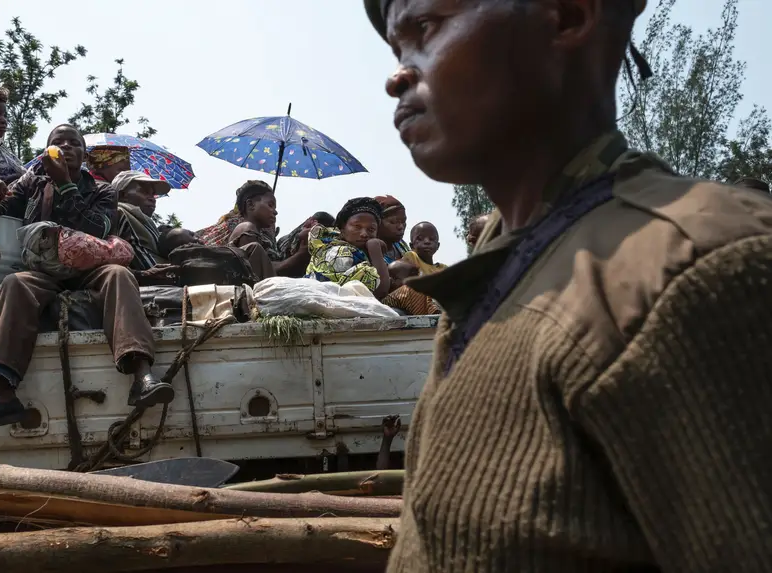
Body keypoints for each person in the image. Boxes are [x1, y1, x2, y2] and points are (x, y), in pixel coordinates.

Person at [366, 0, 772, 571]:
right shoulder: (499, 271)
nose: (396, 75)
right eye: (396, 48)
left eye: (426, 28)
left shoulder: (695, 270)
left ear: (566, 16)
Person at [0, 124, 171, 430]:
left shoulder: (103, 190)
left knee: (118, 274)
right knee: (15, 283)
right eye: (58, 142)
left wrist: (66, 185)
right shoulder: (30, 184)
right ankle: (4, 395)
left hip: (90, 270)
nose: (66, 147)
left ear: (85, 155)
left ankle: (142, 375)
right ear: (46, 151)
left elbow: (97, 230)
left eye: (74, 143)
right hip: (44, 271)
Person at [305, 197, 391, 299]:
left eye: (371, 229)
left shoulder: (361, 253)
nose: (364, 234)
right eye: (357, 227)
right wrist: (375, 247)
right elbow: (380, 292)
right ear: (342, 229)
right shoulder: (337, 253)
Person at [227, 180, 310, 278]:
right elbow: (261, 273)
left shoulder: (262, 236)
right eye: (270, 205)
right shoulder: (246, 228)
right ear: (250, 205)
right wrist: (299, 256)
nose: (275, 212)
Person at [112, 170, 171, 271]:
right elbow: (150, 268)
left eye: (153, 194)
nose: (153, 199)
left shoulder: (142, 220)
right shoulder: (121, 213)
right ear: (122, 195)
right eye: (144, 191)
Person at [374, 195, 410, 263]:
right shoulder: (366, 250)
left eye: (403, 221)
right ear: (377, 223)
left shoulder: (401, 245)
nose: (401, 227)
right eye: (393, 222)